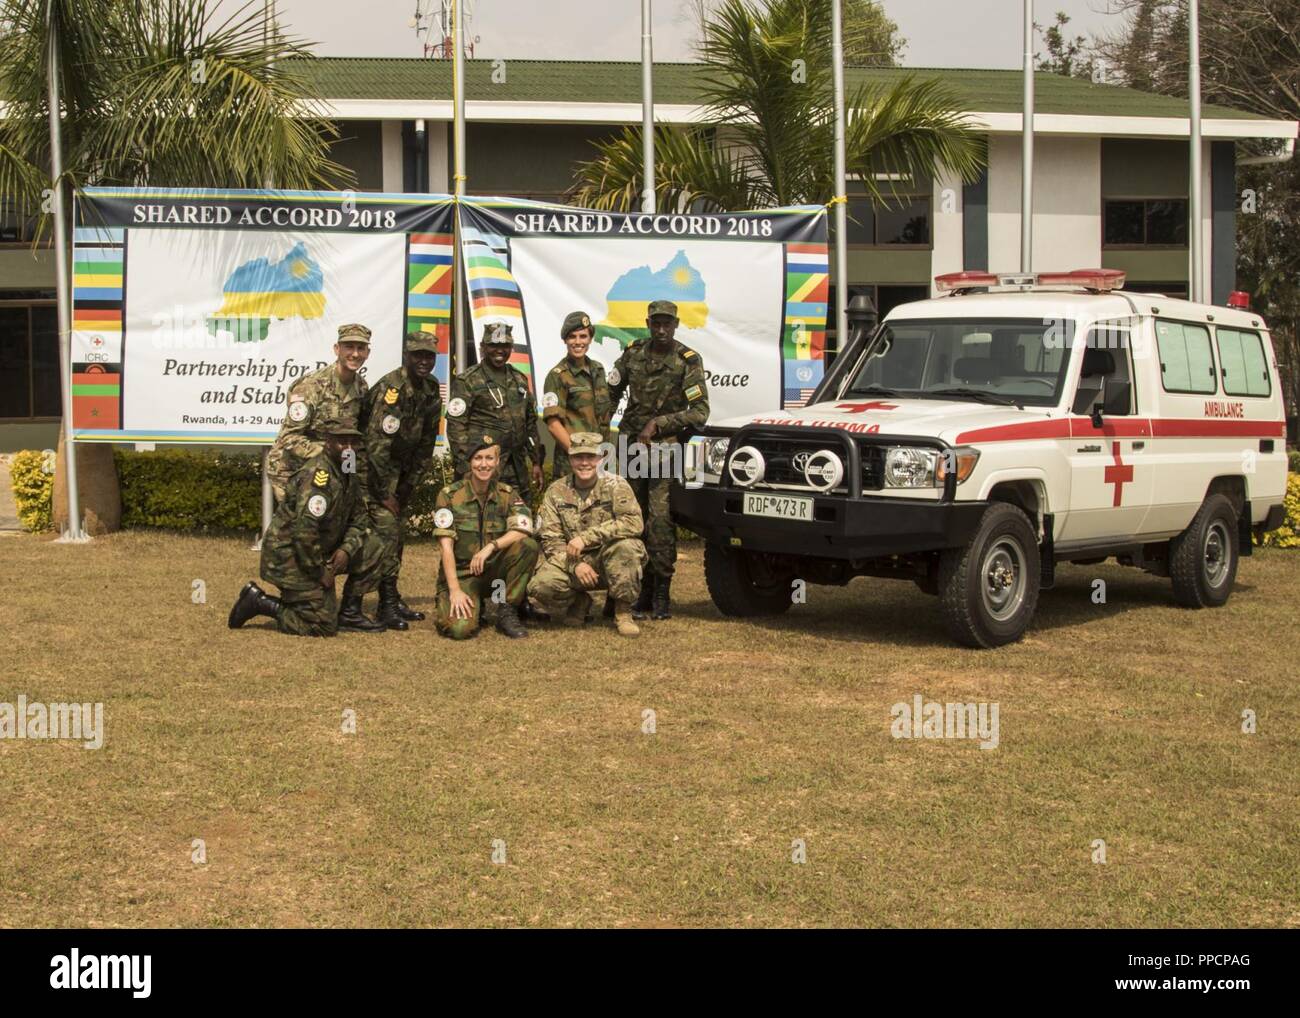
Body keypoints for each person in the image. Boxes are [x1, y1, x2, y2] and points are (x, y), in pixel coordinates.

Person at [228, 415, 389, 636]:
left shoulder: (348, 469)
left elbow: (359, 517)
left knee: (375, 546)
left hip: (319, 549)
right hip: (290, 556)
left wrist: (346, 549)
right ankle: (260, 602)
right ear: (328, 442)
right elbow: (304, 532)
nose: (348, 447)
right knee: (322, 625)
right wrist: (320, 571)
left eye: (353, 441)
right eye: (342, 441)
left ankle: (350, 613)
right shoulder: (318, 476)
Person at [607, 299, 710, 621]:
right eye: (656, 323)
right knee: (629, 517)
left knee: (660, 522)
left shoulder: (687, 360)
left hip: (663, 451)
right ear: (648, 323)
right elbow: (610, 393)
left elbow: (700, 412)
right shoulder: (633, 353)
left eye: (667, 323)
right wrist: (598, 428)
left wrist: (659, 424)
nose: (661, 329)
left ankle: (662, 592)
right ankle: (637, 591)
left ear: (676, 324)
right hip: (630, 448)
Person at [360, 330, 443, 629]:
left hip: (401, 476)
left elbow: (426, 442)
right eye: (418, 355)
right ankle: (385, 604)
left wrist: (410, 484)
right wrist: (385, 493)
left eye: (429, 356)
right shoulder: (391, 389)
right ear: (406, 356)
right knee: (386, 534)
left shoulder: (432, 388)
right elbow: (376, 446)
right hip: (375, 476)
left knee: (396, 537)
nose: (424, 361)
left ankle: (391, 597)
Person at [527, 432, 646, 637]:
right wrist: (575, 565)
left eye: (590, 457)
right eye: (578, 457)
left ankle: (623, 613)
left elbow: (633, 523)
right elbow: (550, 540)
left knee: (628, 547)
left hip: (610, 559)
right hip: (574, 561)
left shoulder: (616, 485)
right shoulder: (556, 491)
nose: (584, 463)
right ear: (570, 459)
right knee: (540, 586)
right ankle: (580, 601)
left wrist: (586, 538)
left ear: (600, 459)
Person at [431, 437, 539, 640]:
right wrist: (454, 590)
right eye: (478, 458)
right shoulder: (449, 496)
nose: (484, 464)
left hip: (495, 573)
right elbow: (445, 548)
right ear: (470, 462)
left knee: (528, 546)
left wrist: (491, 546)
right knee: (460, 630)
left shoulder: (507, 494)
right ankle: (472, 605)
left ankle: (506, 611)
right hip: (464, 575)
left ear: (497, 461)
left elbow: (523, 529)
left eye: (489, 458)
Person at [266, 322, 374, 503]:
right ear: (336, 349)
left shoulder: (362, 388)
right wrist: (330, 453)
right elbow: (290, 438)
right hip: (291, 468)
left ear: (367, 353)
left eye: (361, 348)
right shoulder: (311, 386)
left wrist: (351, 473)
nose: (355, 354)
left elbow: (353, 439)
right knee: (302, 525)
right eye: (349, 347)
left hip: (333, 467)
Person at [445, 321, 543, 504]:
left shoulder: (519, 379)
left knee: (520, 520)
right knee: (482, 522)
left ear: (511, 348)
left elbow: (529, 423)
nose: (500, 350)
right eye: (494, 345)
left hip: (516, 468)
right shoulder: (468, 381)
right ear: (483, 347)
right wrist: (466, 468)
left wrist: (536, 461)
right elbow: (456, 428)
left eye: (504, 345)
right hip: (483, 469)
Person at [542, 310, 613, 479]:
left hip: (600, 461)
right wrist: (579, 456)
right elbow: (553, 424)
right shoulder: (558, 375)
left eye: (583, 336)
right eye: (572, 337)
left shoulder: (598, 369)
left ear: (590, 339)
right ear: (565, 340)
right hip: (572, 464)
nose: (578, 342)